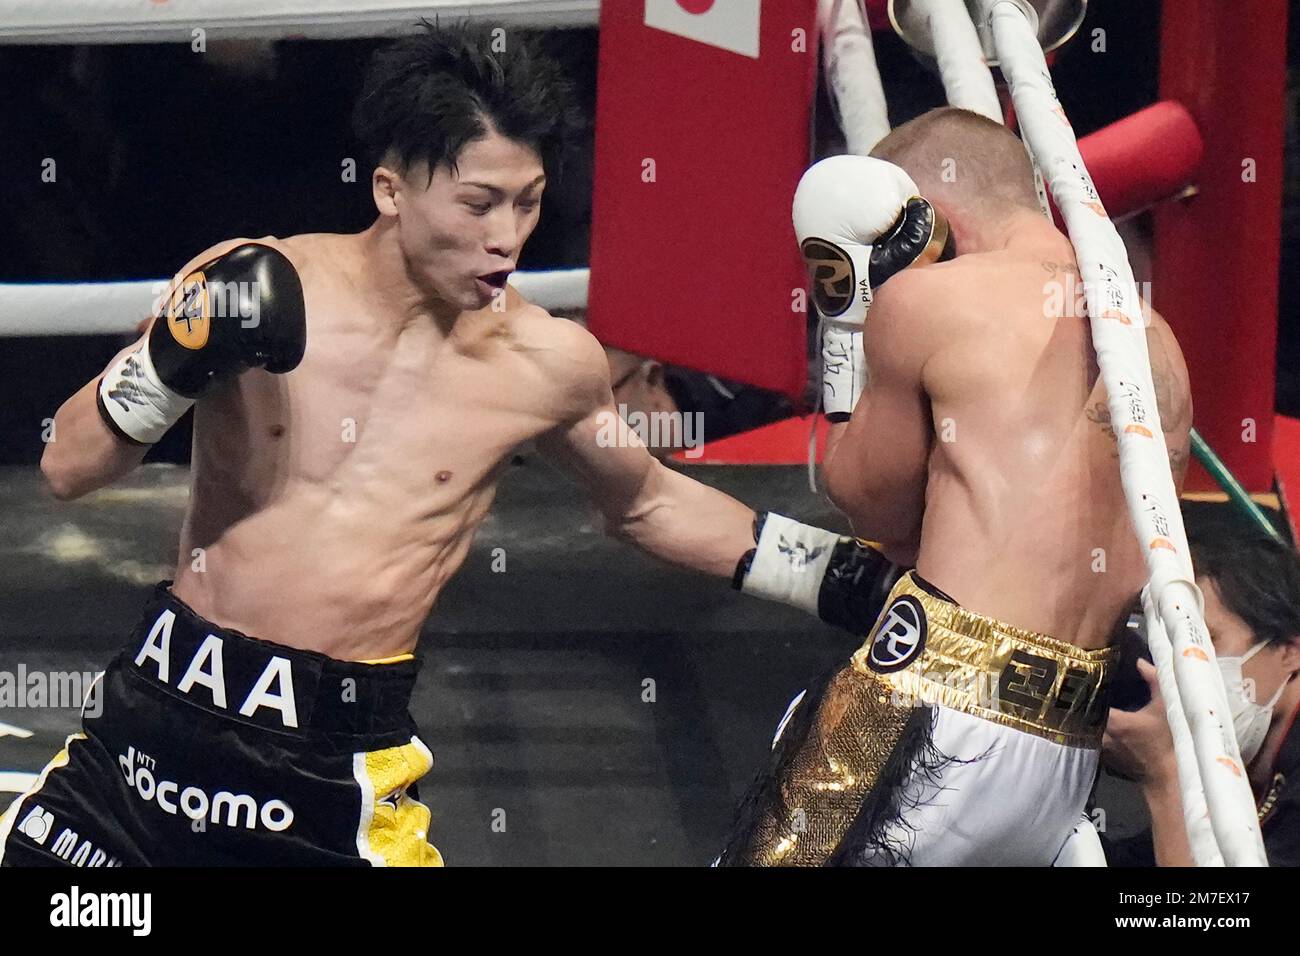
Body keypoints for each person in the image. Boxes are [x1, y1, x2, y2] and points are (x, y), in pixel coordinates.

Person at [0, 21, 899, 868]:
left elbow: (648, 502)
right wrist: (170, 359)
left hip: (330, 767)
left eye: (530, 203)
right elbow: (69, 466)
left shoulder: (542, 363)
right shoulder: (256, 280)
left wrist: (835, 575)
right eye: (478, 204)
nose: (505, 238)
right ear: (391, 188)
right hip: (153, 726)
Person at [717, 106, 1193, 866]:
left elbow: (869, 500)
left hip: (934, 702)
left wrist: (848, 326)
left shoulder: (928, 302)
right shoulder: (1151, 334)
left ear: (918, 220)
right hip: (1065, 749)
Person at [1102, 533, 1300, 866]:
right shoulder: (1249, 777)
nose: (1183, 669)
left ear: (1289, 652)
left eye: (1205, 642)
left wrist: (1164, 773)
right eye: (1171, 648)